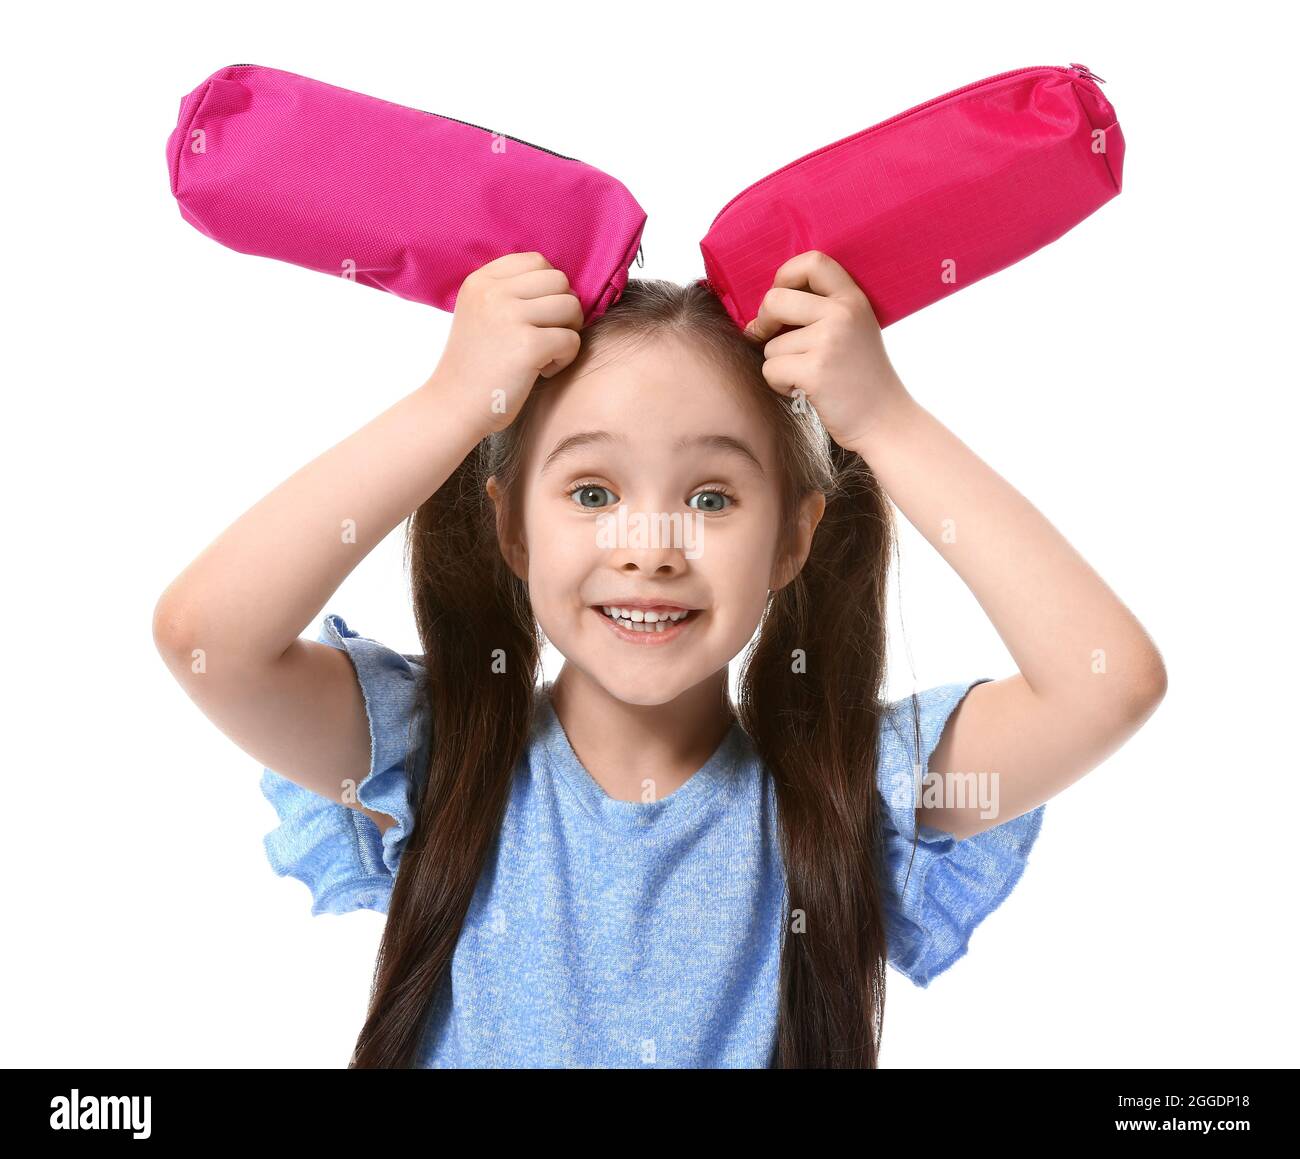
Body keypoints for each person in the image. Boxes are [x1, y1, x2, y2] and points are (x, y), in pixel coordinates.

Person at [153, 250, 1166, 1068]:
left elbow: (1104, 682)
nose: (649, 544)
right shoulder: (440, 762)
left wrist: (882, 418)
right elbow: (207, 638)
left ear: (791, 539)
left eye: (712, 497)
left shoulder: (840, 788)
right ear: (511, 529)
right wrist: (452, 404)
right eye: (591, 492)